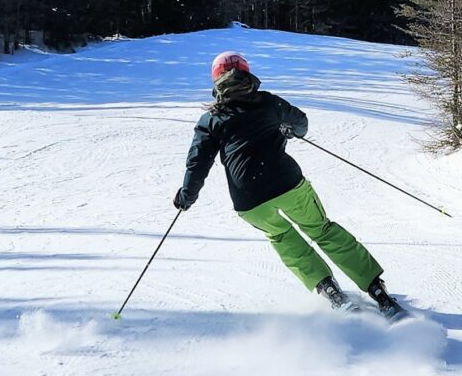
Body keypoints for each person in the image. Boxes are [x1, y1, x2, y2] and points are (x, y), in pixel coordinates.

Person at [174, 50, 407, 320]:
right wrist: (291, 130)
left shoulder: (211, 120)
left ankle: (330, 290)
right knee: (322, 230)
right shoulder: (269, 103)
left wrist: (186, 196)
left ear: (215, 81)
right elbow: (301, 122)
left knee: (282, 237)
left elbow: (197, 163)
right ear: (247, 73)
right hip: (287, 184)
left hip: (249, 200)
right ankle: (378, 293)